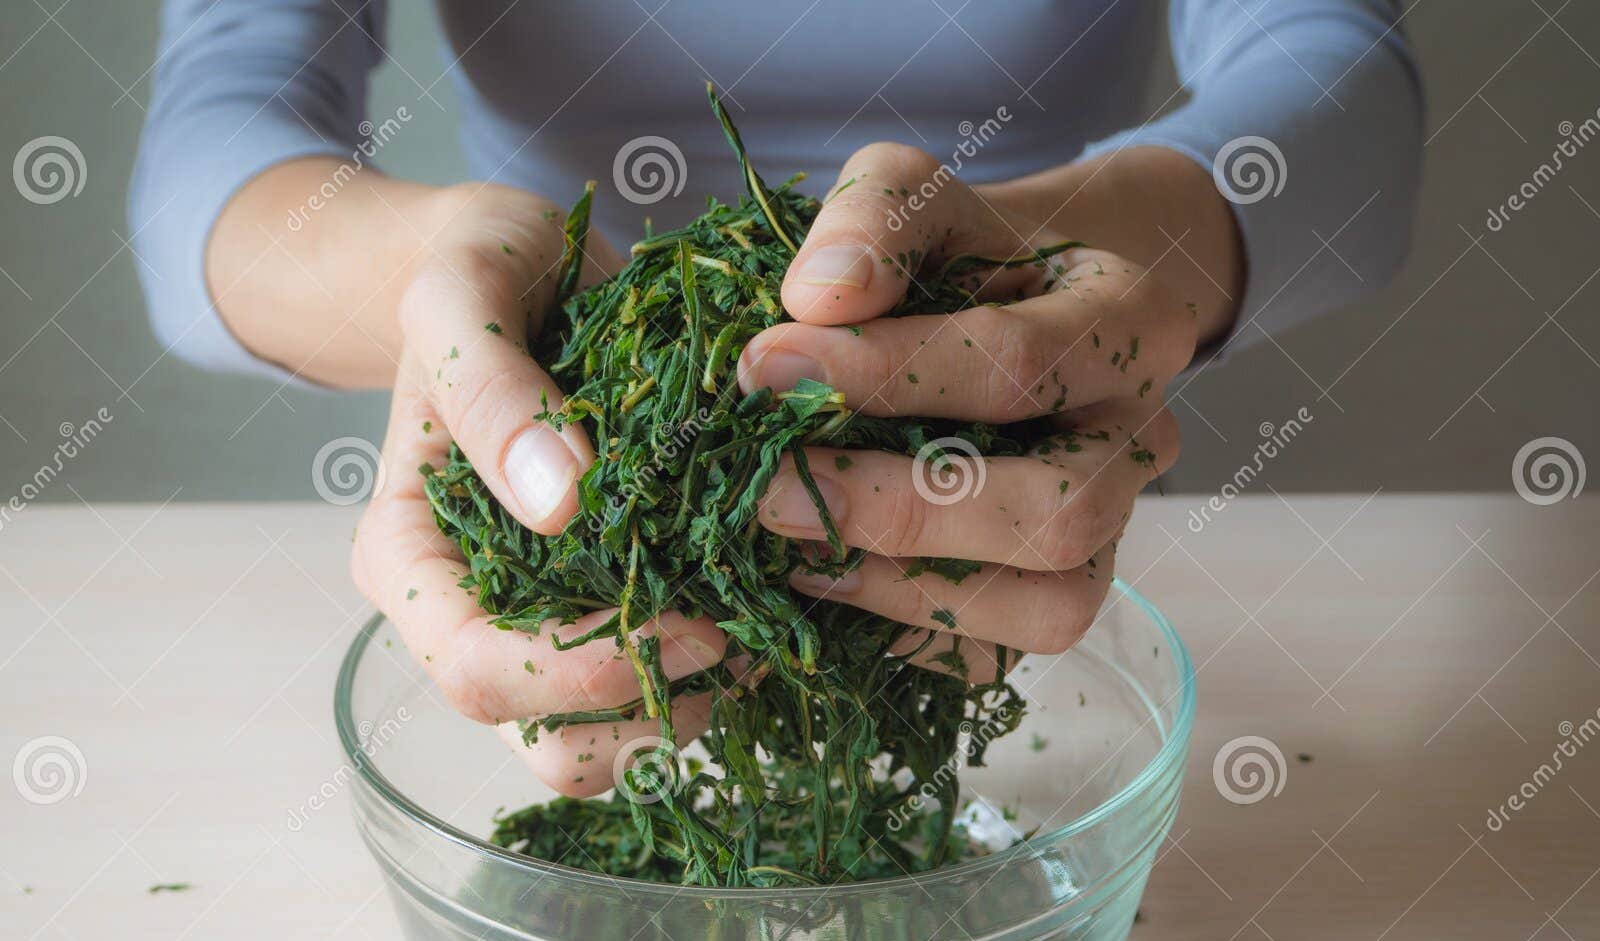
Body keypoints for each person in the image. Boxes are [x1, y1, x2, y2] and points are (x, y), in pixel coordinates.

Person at [131, 0, 1422, 795]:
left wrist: (1027, 278)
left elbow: (1341, 81)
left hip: (1032, 508)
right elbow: (211, 144)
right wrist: (447, 273)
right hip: (578, 519)